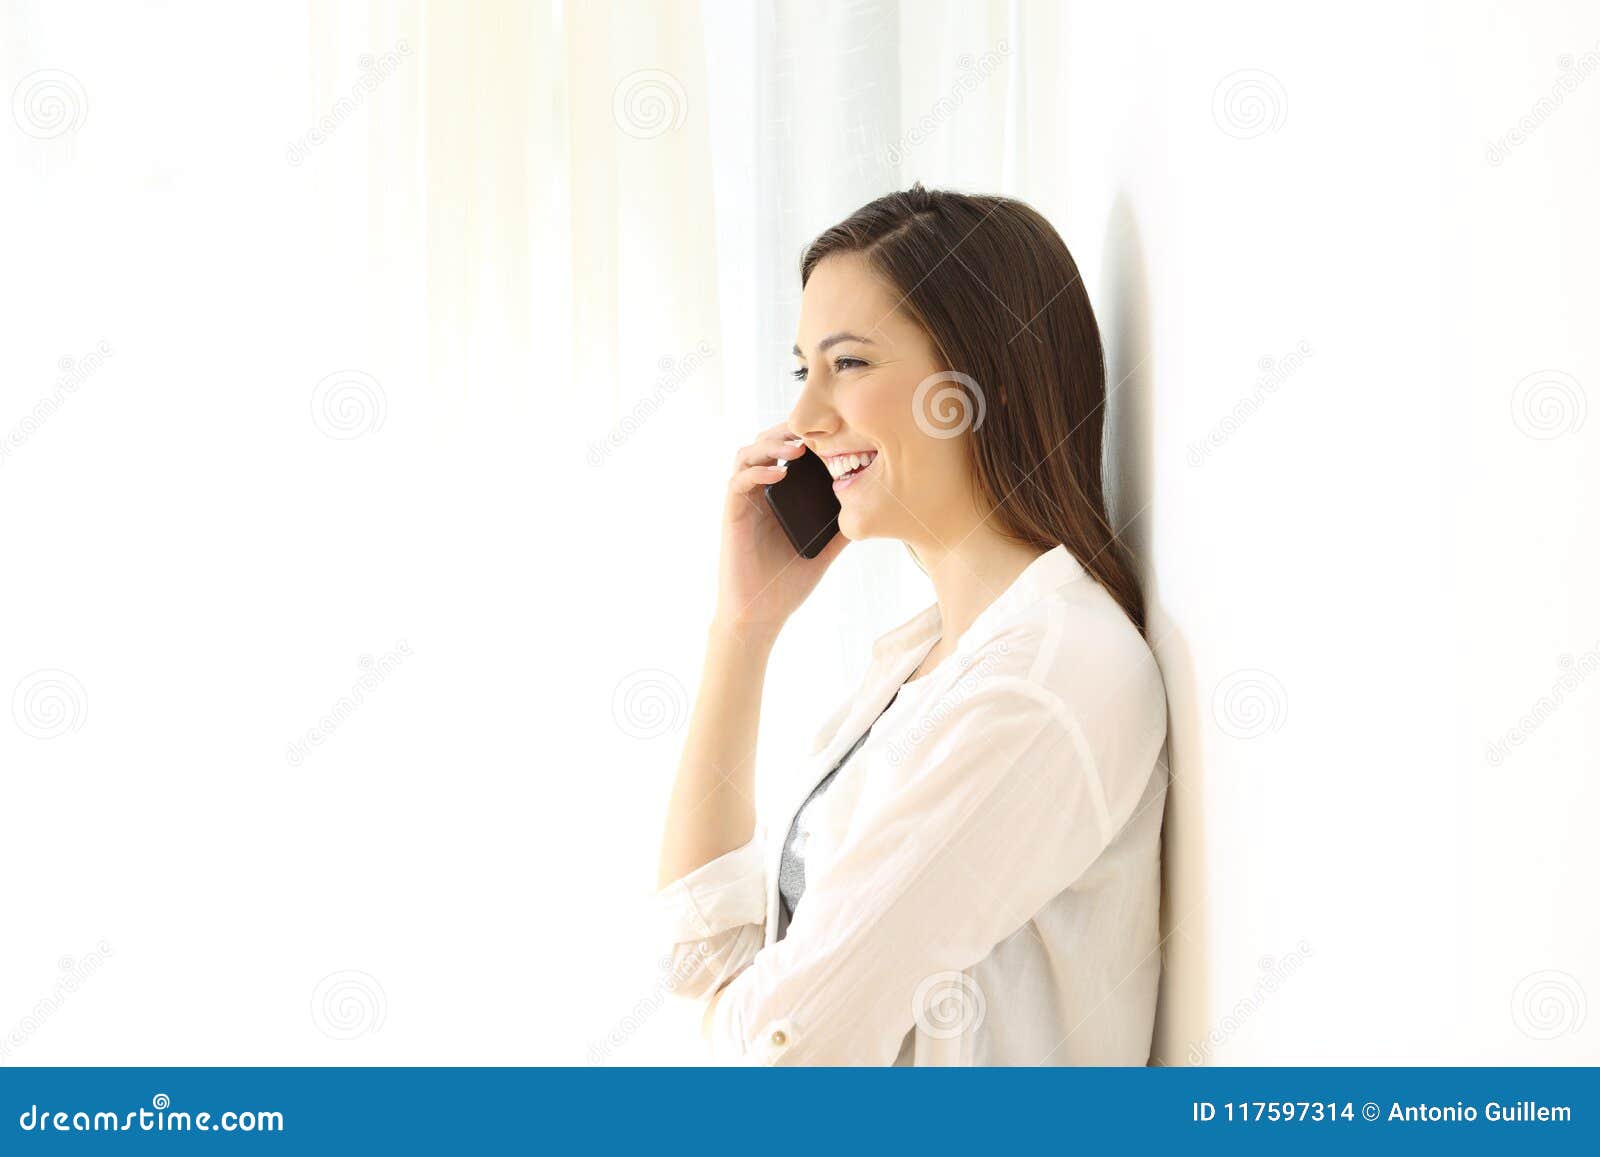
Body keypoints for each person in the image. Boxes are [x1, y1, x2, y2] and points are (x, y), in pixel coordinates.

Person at [653, 183, 1169, 1065]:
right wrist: (740, 632)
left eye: (848, 365)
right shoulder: (925, 664)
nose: (807, 418)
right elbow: (702, 953)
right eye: (801, 371)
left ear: (980, 384)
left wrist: (738, 1015)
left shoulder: (1041, 680)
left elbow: (786, 1050)